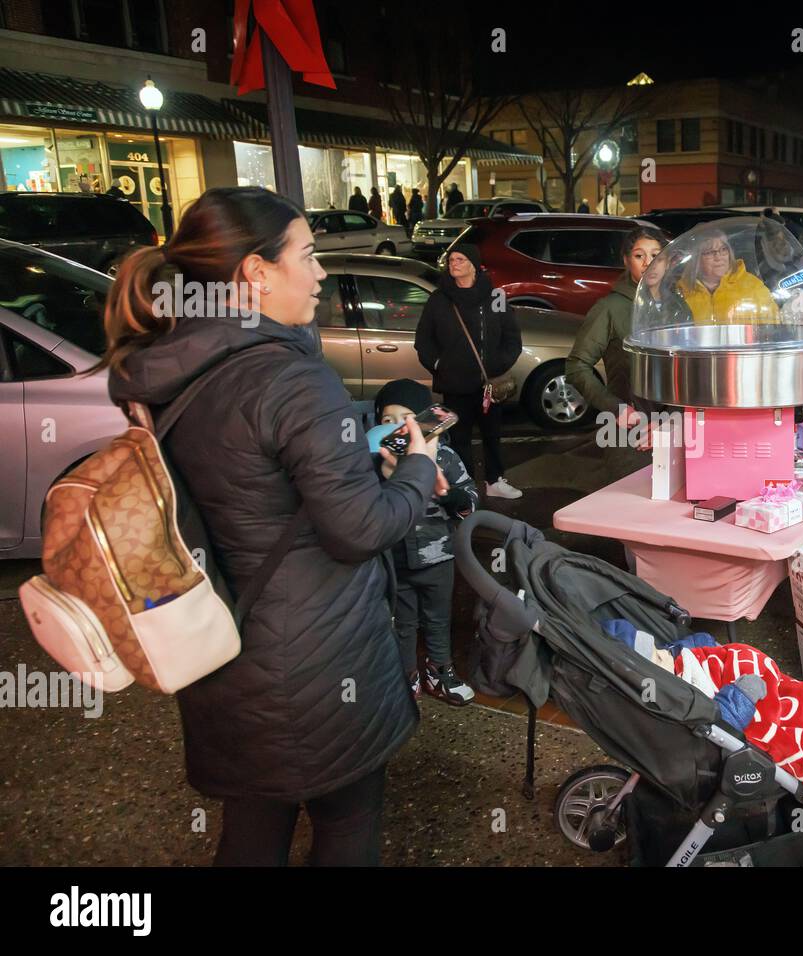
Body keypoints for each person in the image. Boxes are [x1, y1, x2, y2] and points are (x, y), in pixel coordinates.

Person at [101, 186, 437, 865]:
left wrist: (346, 454)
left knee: (254, 828)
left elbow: (241, 483)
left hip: (223, 647)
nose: (319, 274)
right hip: (318, 658)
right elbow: (357, 530)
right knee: (348, 823)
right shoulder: (289, 380)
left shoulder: (164, 367)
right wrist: (416, 472)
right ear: (255, 272)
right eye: (308, 257)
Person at [373, 378, 478, 705]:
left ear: (423, 421)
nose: (396, 426)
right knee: (402, 622)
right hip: (396, 558)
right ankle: (406, 676)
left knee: (437, 618)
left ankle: (441, 672)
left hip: (438, 557)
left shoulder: (444, 456)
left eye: (406, 417)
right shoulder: (374, 461)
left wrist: (454, 498)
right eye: (387, 419)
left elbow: (471, 500)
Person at [415, 244, 524, 499]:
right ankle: (464, 485)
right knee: (459, 438)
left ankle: (495, 481)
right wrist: (439, 365)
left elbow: (512, 335)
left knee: (492, 435)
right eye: (451, 259)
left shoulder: (493, 297)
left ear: (473, 264)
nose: (454, 264)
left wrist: (500, 363)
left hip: (489, 384)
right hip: (455, 384)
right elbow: (423, 340)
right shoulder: (440, 299)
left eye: (460, 259)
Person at [567, 226, 667, 443]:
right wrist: (616, 407)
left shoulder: (677, 306)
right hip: (630, 428)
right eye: (639, 255)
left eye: (656, 255)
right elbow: (576, 365)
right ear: (626, 261)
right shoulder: (610, 308)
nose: (648, 263)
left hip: (672, 427)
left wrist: (671, 420)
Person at [678, 228, 777, 324]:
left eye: (723, 249)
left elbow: (772, 330)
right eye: (709, 252)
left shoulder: (753, 287)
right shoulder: (682, 290)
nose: (718, 257)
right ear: (696, 259)